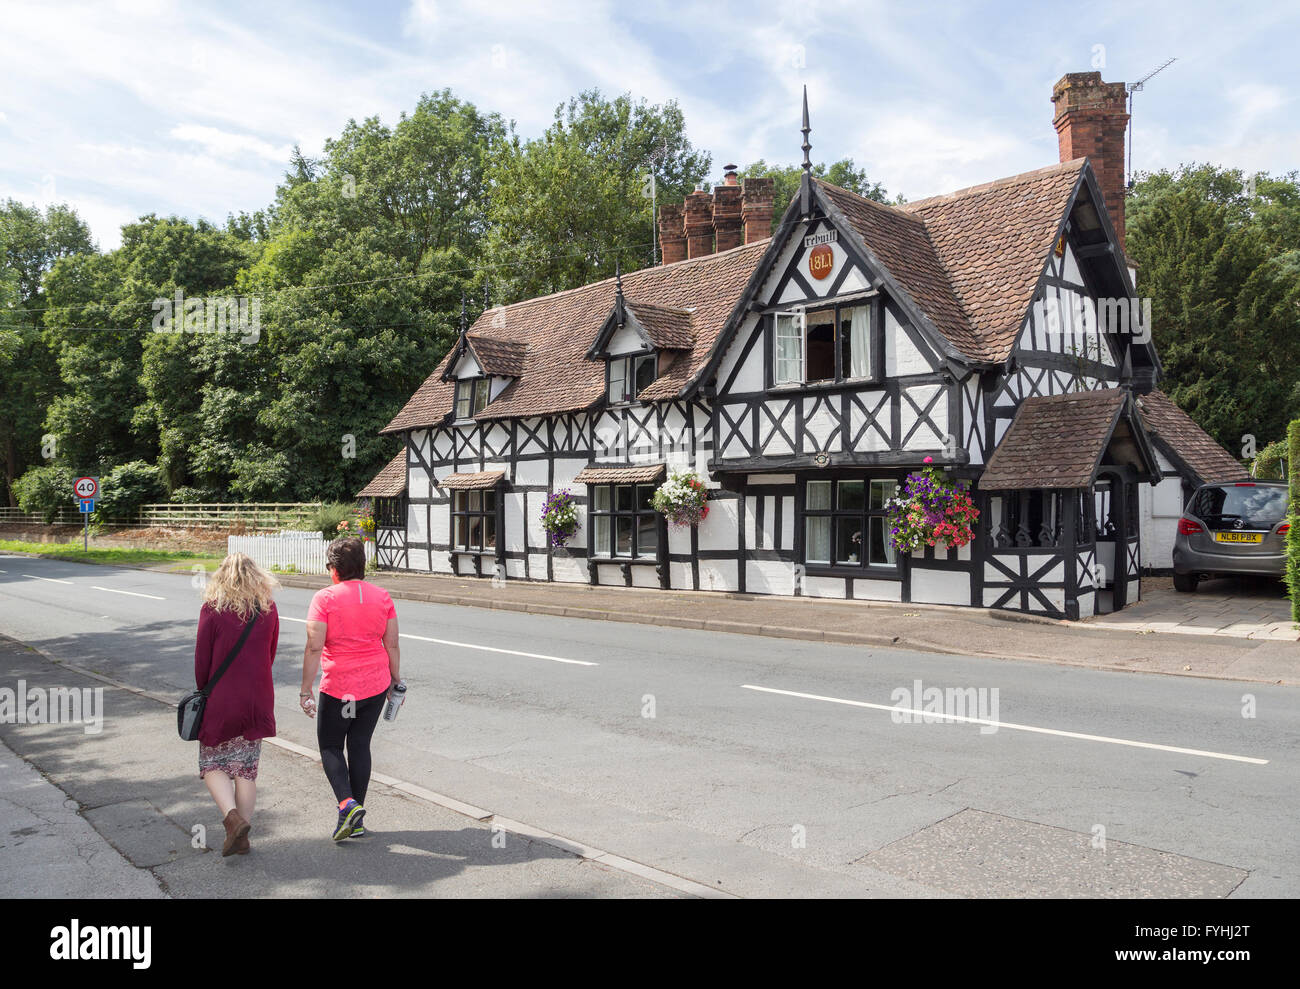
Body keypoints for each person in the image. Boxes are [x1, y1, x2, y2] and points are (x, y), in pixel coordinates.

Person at [300, 537, 400, 841]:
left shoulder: (325, 598)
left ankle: (347, 804)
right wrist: (395, 682)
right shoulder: (382, 596)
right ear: (362, 566)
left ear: (334, 569)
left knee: (330, 746)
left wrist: (306, 689)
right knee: (359, 746)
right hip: (374, 684)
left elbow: (314, 646)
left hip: (340, 686)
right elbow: (391, 643)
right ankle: (355, 820)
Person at [194, 552, 280, 857]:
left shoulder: (212, 610)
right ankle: (242, 835)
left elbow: (202, 661)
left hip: (222, 698)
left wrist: (204, 691)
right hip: (257, 698)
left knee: (212, 762)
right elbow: (270, 655)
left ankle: (232, 820)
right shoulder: (268, 610)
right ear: (257, 577)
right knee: (246, 768)